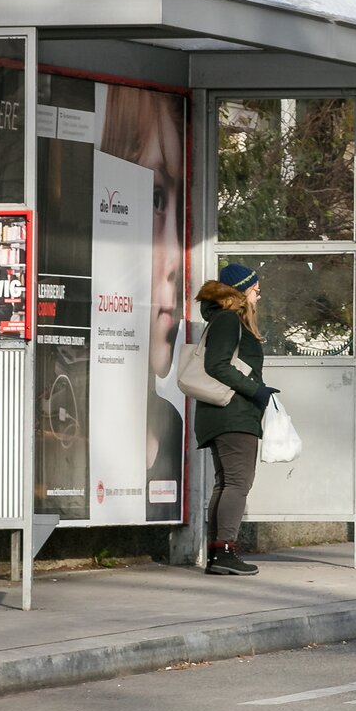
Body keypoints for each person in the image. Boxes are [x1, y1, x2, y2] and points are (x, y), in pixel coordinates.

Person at [101, 86, 188, 486]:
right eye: (155, 199)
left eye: (183, 208)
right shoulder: (88, 428)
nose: (175, 258)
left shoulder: (178, 431)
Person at [193, 263, 276, 575]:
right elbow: (216, 365)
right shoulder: (228, 321)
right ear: (241, 290)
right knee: (238, 483)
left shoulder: (224, 320)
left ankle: (219, 553)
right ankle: (225, 549)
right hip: (233, 414)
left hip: (224, 414)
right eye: (255, 287)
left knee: (227, 483)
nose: (259, 292)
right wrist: (256, 390)